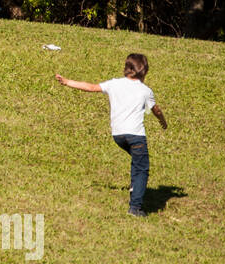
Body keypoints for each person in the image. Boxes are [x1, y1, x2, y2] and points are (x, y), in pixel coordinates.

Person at [56, 53, 167, 216]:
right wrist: (162, 120)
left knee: (137, 162)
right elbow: (155, 109)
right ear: (144, 71)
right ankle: (135, 208)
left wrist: (67, 82)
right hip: (136, 136)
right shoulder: (145, 91)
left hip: (118, 135)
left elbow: (91, 87)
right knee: (142, 167)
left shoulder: (114, 84)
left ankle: (134, 186)